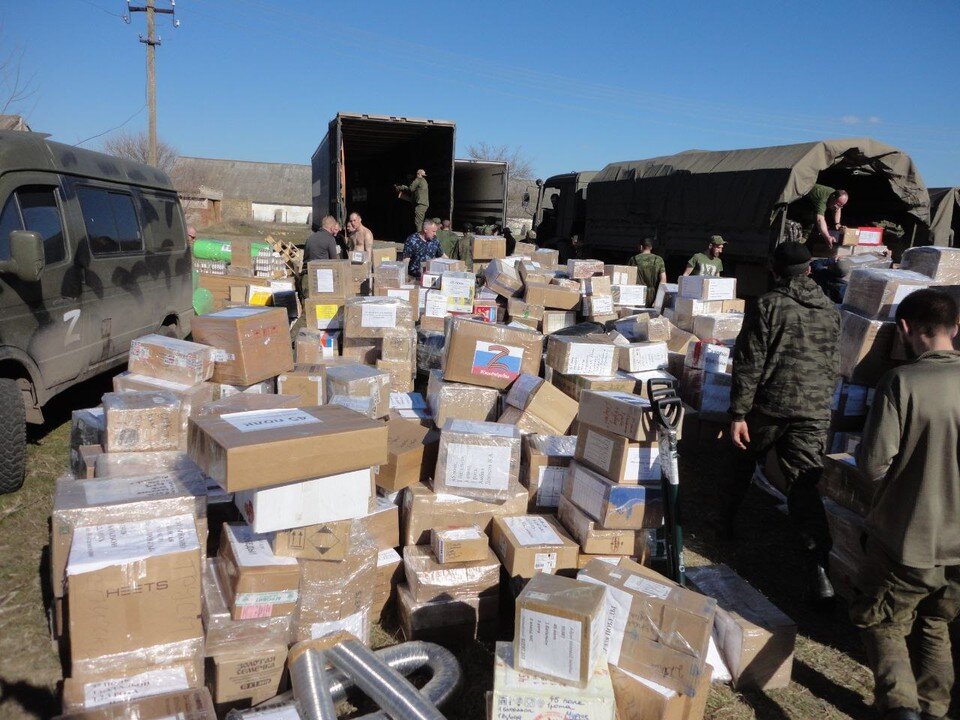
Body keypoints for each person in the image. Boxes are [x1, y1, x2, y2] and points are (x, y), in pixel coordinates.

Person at [850, 289, 960, 720]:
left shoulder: (903, 382)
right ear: (955, 329)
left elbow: (874, 462)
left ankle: (900, 708)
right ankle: (935, 709)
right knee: (936, 624)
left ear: (907, 330)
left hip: (910, 537)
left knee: (883, 621)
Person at [726, 241, 840, 603]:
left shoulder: (767, 305)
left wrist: (738, 414)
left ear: (775, 271)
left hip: (771, 405)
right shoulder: (831, 310)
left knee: (741, 458)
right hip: (814, 410)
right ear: (809, 270)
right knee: (804, 485)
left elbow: (749, 363)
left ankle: (724, 523)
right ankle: (820, 570)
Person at [805, 184, 849, 248]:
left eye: (841, 205)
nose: (838, 207)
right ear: (833, 197)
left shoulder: (835, 196)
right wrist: (827, 236)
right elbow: (820, 219)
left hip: (811, 207)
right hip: (800, 202)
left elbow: (838, 208)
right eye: (837, 204)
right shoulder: (822, 198)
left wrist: (837, 223)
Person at [627, 237, 667, 306]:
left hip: (637, 294)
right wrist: (658, 299)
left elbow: (629, 278)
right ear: (651, 247)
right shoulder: (658, 259)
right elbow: (663, 279)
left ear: (641, 247)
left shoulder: (633, 259)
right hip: (653, 295)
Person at [395, 169, 429, 233]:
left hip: (420, 204)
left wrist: (401, 187)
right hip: (423, 204)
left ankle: (420, 238)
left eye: (417, 174)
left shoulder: (418, 179)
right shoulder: (424, 181)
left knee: (418, 222)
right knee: (420, 221)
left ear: (418, 174)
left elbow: (411, 189)